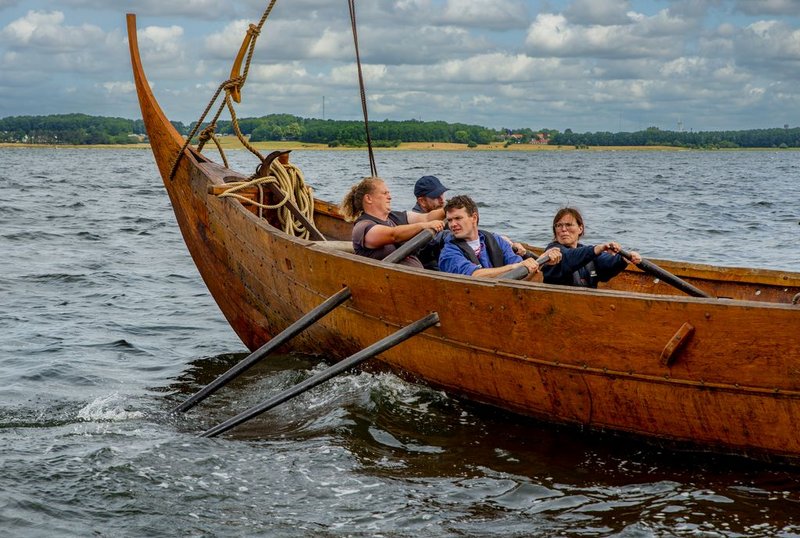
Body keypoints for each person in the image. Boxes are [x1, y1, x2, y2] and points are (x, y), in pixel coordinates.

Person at [438, 195, 562, 279]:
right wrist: (515, 267)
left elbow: (521, 265)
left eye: (458, 218)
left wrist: (543, 260)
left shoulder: (496, 240)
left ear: (474, 218)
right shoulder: (449, 252)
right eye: (450, 220)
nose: (453, 224)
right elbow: (474, 275)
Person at [340, 177, 444, 267]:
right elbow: (393, 235)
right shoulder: (363, 227)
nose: (390, 197)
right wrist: (423, 226)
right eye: (385, 193)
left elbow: (427, 218)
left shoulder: (394, 217)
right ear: (368, 198)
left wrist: (450, 209)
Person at [541, 207, 642, 288]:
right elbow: (570, 257)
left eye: (568, 225)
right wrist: (599, 248)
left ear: (580, 228)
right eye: (558, 225)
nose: (563, 229)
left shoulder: (587, 252)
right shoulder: (554, 250)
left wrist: (623, 259)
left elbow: (606, 262)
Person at [391, 175, 450, 270]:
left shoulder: (445, 213)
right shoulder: (412, 222)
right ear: (422, 201)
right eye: (436, 196)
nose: (442, 200)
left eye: (442, 194)